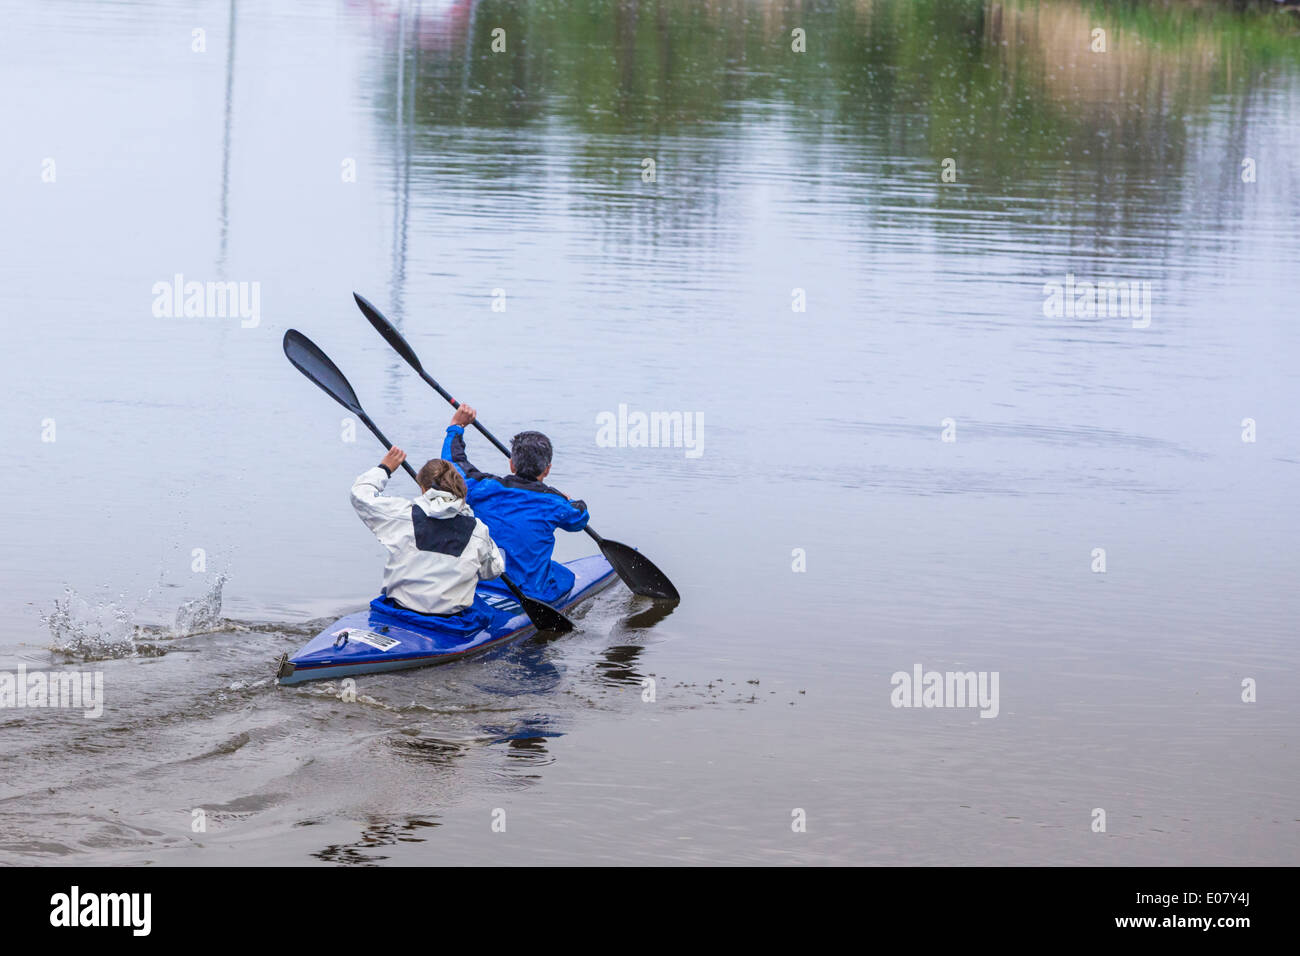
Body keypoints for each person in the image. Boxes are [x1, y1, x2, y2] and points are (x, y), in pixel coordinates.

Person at [441, 405, 589, 604]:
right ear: (547, 470)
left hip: (479, 580)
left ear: (511, 464)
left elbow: (453, 465)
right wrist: (571, 500)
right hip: (528, 591)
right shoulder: (555, 502)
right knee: (565, 577)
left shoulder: (481, 487)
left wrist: (456, 427)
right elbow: (579, 519)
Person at [350, 445, 505, 616]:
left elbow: (360, 494)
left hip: (399, 610)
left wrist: (385, 468)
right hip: (451, 618)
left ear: (423, 489)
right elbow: (493, 570)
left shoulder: (401, 514)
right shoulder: (478, 530)